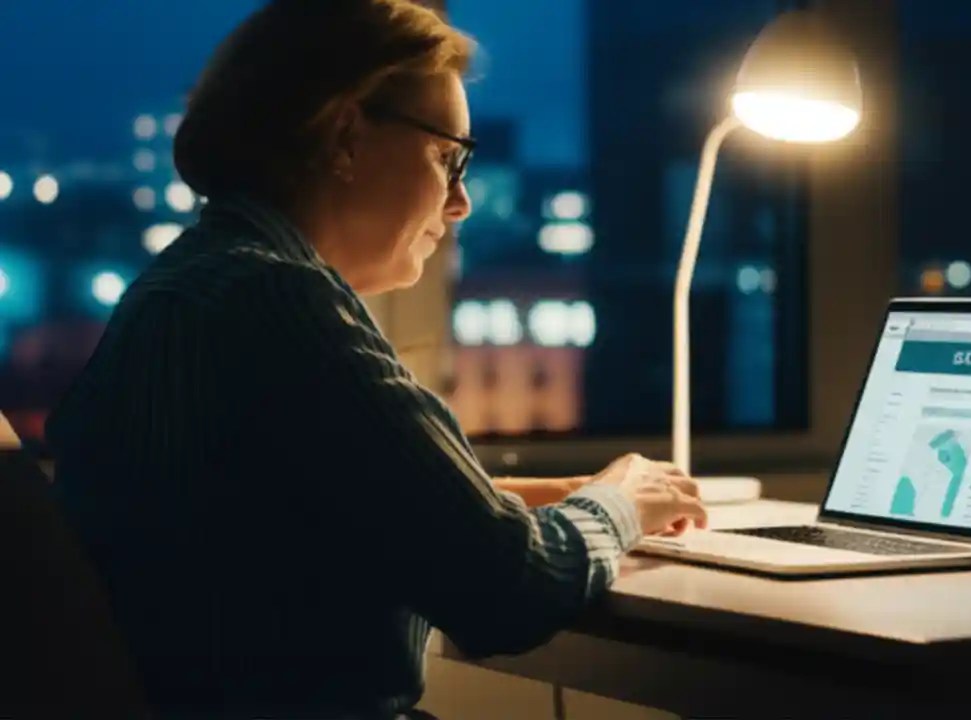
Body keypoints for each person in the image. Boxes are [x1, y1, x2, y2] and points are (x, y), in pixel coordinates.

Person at [45, 1, 708, 716]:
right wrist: (621, 503)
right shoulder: (277, 299)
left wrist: (549, 494)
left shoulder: (189, 285)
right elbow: (510, 588)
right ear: (346, 135)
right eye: (449, 157)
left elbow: (299, 511)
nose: (460, 204)